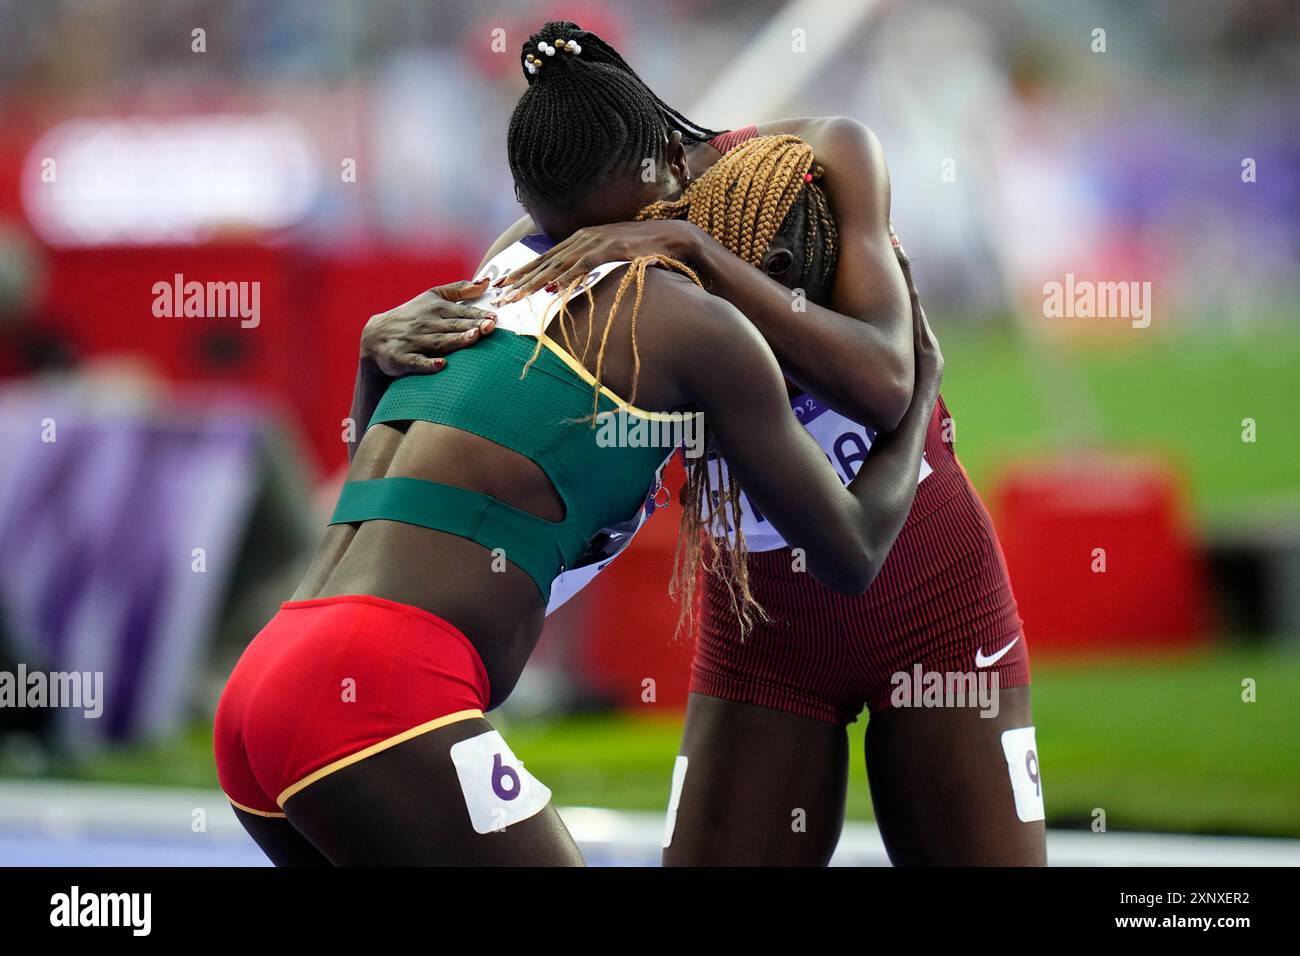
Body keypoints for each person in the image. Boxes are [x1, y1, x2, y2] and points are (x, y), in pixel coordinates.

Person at [214, 30, 942, 866]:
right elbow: (850, 553)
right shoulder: (690, 322)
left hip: (268, 683)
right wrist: (922, 391)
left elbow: (379, 480)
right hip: (380, 696)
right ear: (673, 166)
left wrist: (368, 360)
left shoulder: (491, 278)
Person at [360, 21, 1044, 866]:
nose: (603, 264)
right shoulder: (542, 245)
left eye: (621, 236)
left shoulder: (822, 156)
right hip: (760, 622)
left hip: (930, 599)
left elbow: (886, 380)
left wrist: (694, 251)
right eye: (559, 236)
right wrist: (387, 344)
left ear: (662, 168)